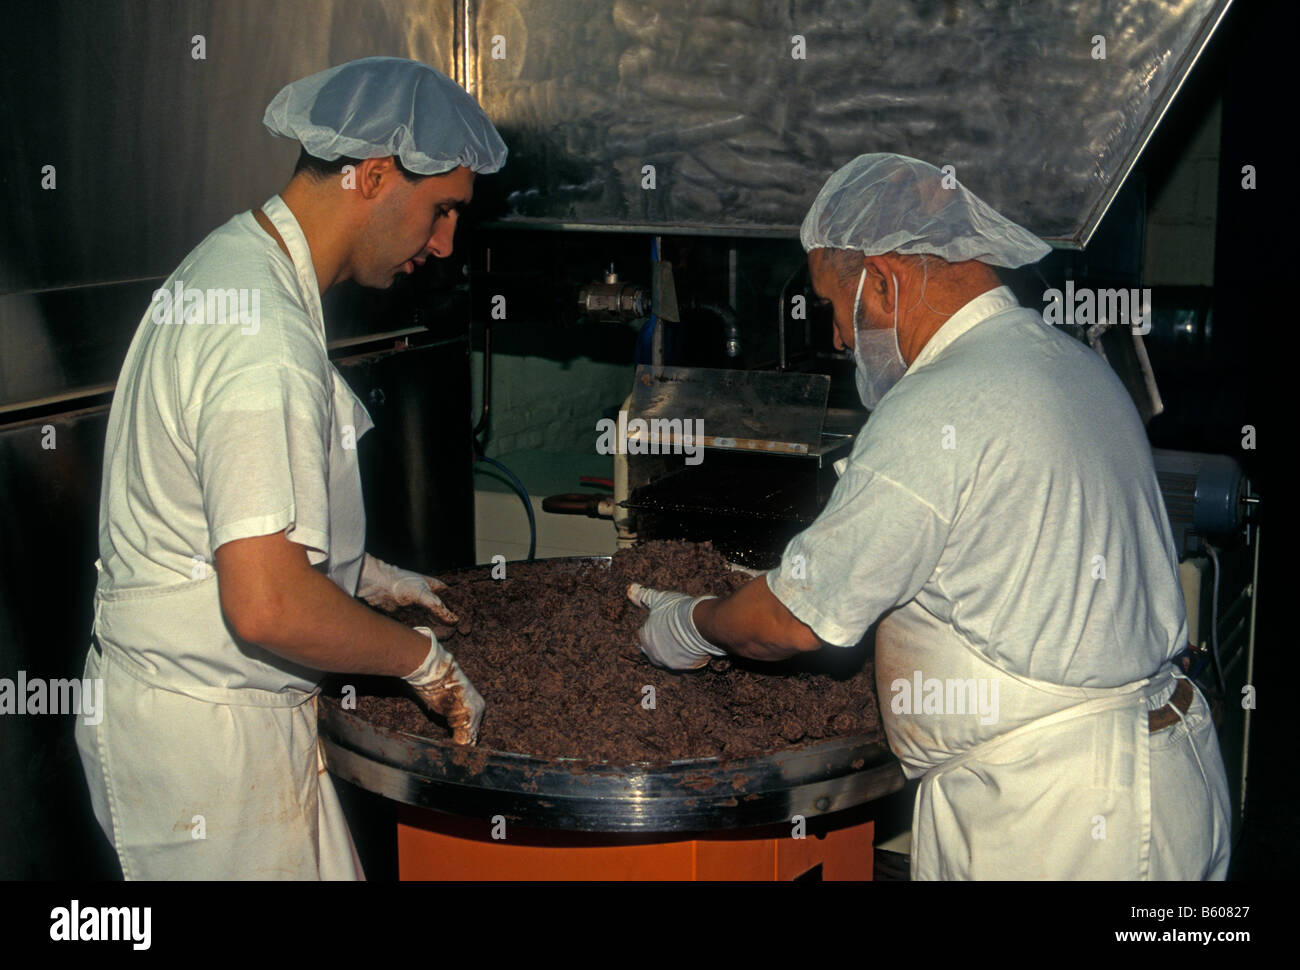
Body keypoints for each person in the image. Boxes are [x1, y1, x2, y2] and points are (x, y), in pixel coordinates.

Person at [629, 153, 1232, 880]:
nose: (841, 340)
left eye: (833, 306)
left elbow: (793, 621)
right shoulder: (1068, 362)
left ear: (883, 281)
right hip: (1163, 778)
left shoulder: (939, 402)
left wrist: (690, 624)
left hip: (1060, 817)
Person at [75, 57, 506, 880]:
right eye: (442, 210)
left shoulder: (237, 266)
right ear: (374, 174)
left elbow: (219, 519)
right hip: (207, 754)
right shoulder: (261, 338)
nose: (447, 244)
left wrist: (358, 572)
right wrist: (422, 661)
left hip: (221, 725)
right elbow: (267, 604)